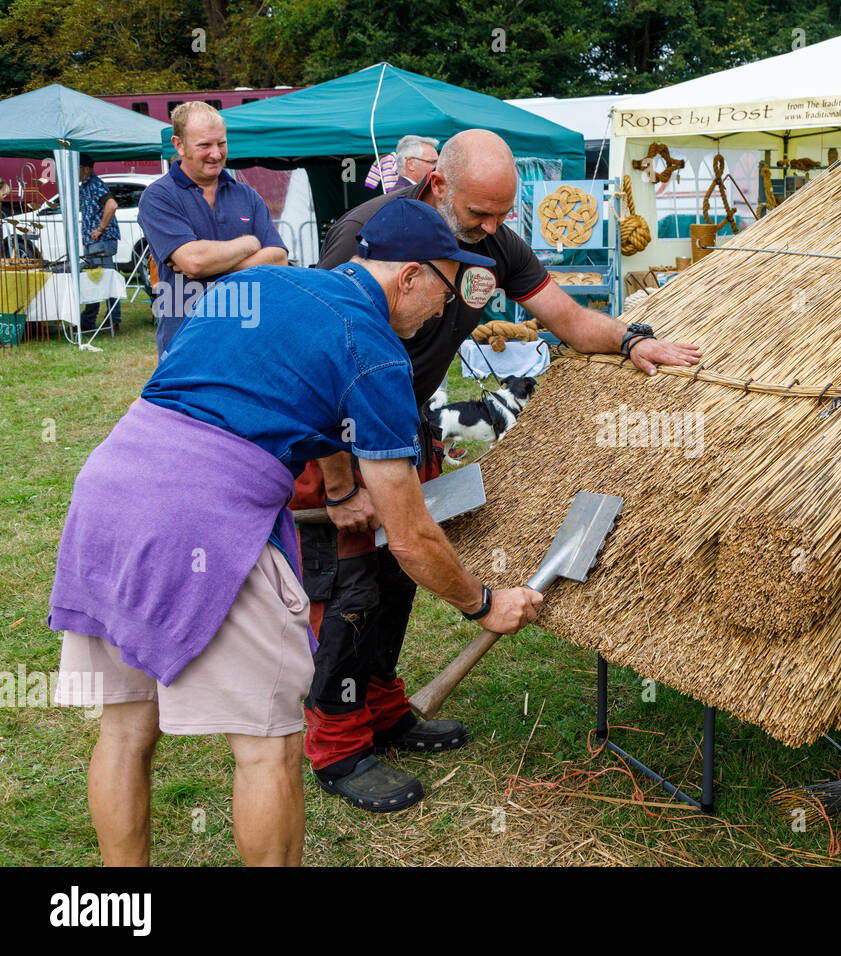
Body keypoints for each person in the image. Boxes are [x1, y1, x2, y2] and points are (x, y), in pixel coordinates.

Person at [49, 199, 542, 864]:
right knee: (268, 744)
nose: (446, 311)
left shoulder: (260, 282)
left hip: (110, 485)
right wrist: (483, 602)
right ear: (411, 277)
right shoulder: (376, 354)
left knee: (126, 728)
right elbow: (411, 537)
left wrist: (339, 489)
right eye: (449, 291)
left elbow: (284, 391)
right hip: (200, 516)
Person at [296, 128, 702, 811]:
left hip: (400, 422)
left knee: (397, 575)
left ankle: (387, 711)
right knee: (349, 591)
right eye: (478, 215)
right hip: (333, 432)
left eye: (500, 215)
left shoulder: (496, 243)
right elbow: (317, 359)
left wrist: (634, 339)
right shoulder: (367, 232)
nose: (491, 230)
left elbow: (568, 318)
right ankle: (337, 747)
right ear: (437, 187)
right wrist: (339, 485)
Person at [137, 101, 287, 357]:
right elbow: (194, 262)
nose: (216, 154)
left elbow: (279, 259)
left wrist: (211, 264)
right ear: (179, 145)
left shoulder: (246, 194)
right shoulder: (159, 196)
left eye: (222, 143)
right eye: (205, 145)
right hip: (187, 344)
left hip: (248, 340)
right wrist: (250, 245)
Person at [77, 158, 122, 332]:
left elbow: (111, 205)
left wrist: (100, 229)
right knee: (93, 282)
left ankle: (113, 320)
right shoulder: (85, 186)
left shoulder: (96, 184)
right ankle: (89, 320)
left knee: (106, 281)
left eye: (78, 168)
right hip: (94, 242)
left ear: (86, 169)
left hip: (101, 241)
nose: (76, 172)